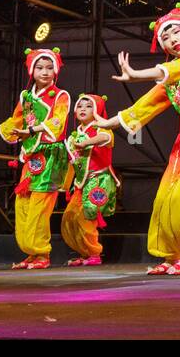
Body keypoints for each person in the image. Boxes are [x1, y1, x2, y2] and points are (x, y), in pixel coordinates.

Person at [92, 3, 180, 276]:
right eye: (166, 38)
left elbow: (169, 72)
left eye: (176, 33)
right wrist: (109, 122)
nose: (172, 40)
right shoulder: (173, 74)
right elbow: (147, 105)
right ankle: (169, 256)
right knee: (163, 198)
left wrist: (136, 75)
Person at [0, 48, 71, 270]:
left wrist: (33, 130)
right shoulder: (26, 96)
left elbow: (58, 121)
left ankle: (41, 254)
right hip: (31, 157)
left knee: (40, 207)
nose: (45, 72)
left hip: (50, 154)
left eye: (49, 68)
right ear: (32, 70)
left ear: (56, 71)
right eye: (40, 68)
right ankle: (30, 252)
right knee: (23, 205)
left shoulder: (60, 95)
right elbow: (16, 121)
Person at [61, 93, 120, 266]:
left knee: (86, 217)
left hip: (99, 180)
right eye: (80, 106)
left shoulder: (102, 129)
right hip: (81, 183)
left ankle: (94, 253)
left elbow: (106, 138)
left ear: (97, 110)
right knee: (70, 218)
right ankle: (84, 252)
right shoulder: (74, 135)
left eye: (88, 106)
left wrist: (87, 142)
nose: (83, 109)